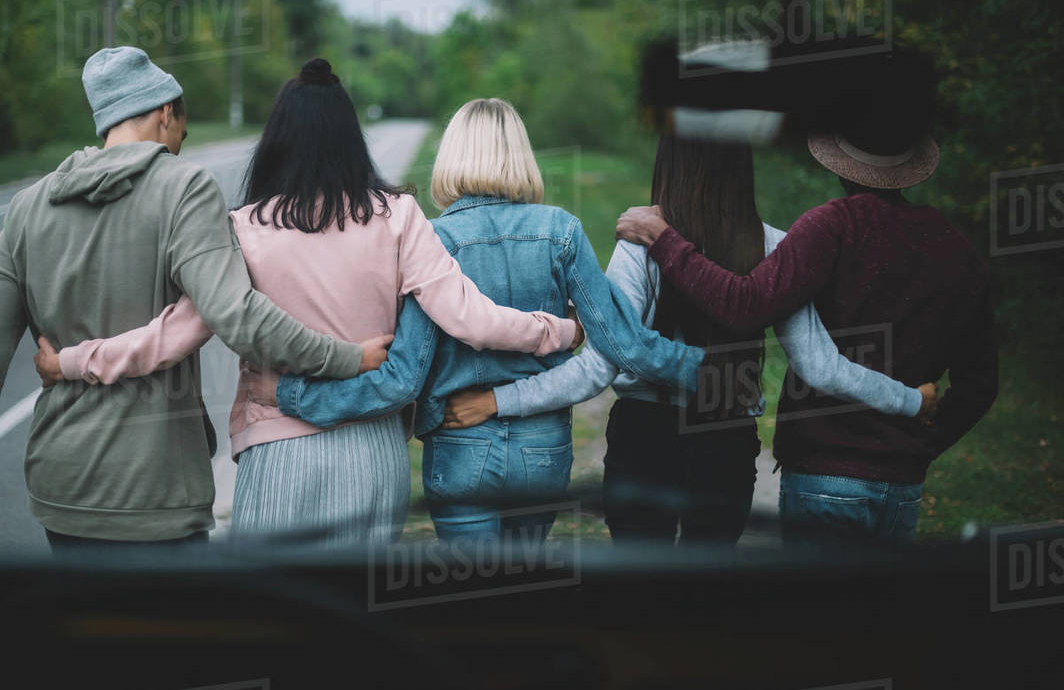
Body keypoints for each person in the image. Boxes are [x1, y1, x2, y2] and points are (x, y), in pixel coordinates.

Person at [34, 65, 582, 547]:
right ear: (352, 140)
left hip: (279, 448)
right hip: (374, 454)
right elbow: (470, 317)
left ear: (276, 142)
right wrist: (558, 331)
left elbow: (174, 334)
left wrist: (74, 361)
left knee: (279, 617)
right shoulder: (399, 216)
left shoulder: (242, 227)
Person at [0, 47, 390, 558]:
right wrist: (347, 357)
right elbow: (237, 314)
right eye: (181, 135)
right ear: (167, 111)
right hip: (158, 489)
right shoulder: (184, 188)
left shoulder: (27, 208)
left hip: (63, 485)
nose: (178, 148)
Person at [443, 134, 939, 546]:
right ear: (742, 171)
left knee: (642, 595)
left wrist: (496, 401)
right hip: (726, 438)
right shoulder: (774, 246)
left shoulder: (640, 246)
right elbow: (820, 366)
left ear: (669, 169)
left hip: (643, 436)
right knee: (707, 593)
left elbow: (598, 365)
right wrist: (911, 400)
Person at [264, 98, 708, 547]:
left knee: (473, 588)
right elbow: (625, 344)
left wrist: (296, 396)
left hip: (462, 445)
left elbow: (403, 378)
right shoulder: (562, 231)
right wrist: (712, 372)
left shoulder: (431, 240)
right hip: (542, 446)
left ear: (451, 156)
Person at [614, 53, 998, 545]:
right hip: (892, 477)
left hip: (813, 470)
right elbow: (978, 381)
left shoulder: (828, 226)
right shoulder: (956, 248)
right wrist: (918, 434)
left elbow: (741, 308)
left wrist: (664, 242)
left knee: (654, 577)